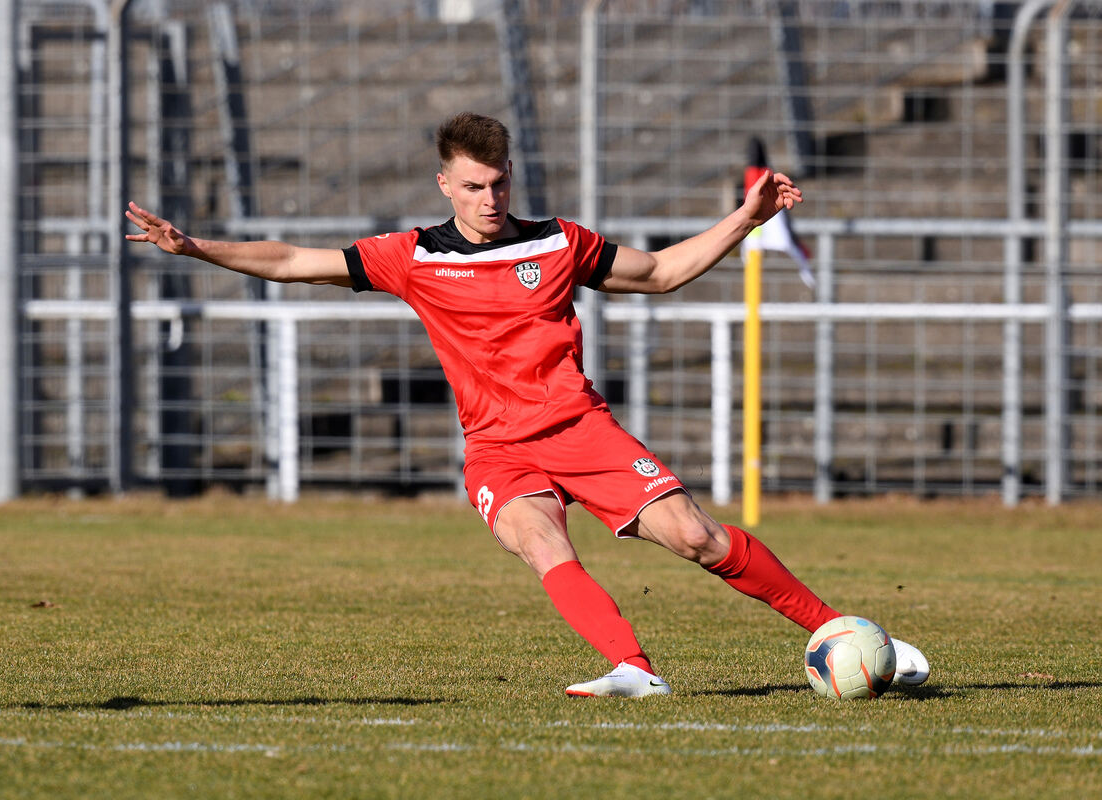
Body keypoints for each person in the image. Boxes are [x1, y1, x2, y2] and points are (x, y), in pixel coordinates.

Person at [126, 111, 930, 697]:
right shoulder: (409, 257)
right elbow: (295, 259)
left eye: (498, 182)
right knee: (538, 539)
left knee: (694, 535)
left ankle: (838, 629)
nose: (487, 197)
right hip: (497, 448)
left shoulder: (554, 243)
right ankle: (633, 669)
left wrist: (744, 221)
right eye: (472, 186)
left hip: (581, 429)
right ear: (445, 184)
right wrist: (196, 247)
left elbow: (658, 274)